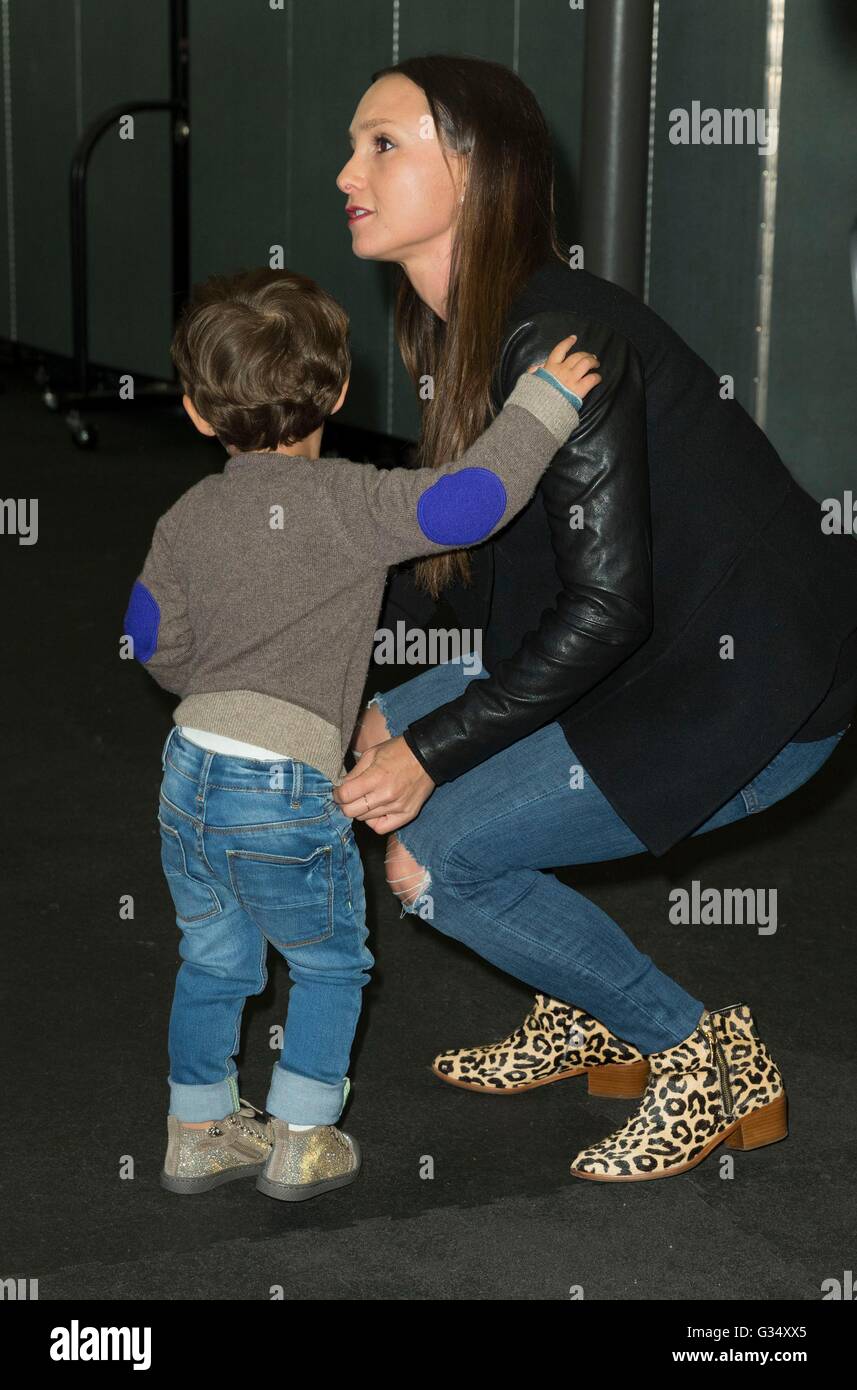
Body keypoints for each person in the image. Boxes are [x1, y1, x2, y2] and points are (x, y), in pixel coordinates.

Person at [333, 54, 857, 1182]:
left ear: (475, 173)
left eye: (383, 144)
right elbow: (501, 574)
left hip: (748, 689)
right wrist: (401, 721)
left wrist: (438, 750)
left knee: (430, 857)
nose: (347, 172)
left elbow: (604, 609)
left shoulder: (556, 336)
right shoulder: (468, 327)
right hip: (647, 649)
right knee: (374, 738)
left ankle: (699, 1055)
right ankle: (587, 1012)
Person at [121, 264, 601, 1200]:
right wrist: (543, 402)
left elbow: (146, 632)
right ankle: (302, 1134)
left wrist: (210, 691)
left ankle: (198, 1129)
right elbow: (468, 502)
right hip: (285, 787)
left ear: (195, 413)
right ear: (339, 391)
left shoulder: (185, 516)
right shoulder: (348, 502)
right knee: (329, 958)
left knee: (213, 956)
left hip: (189, 770)